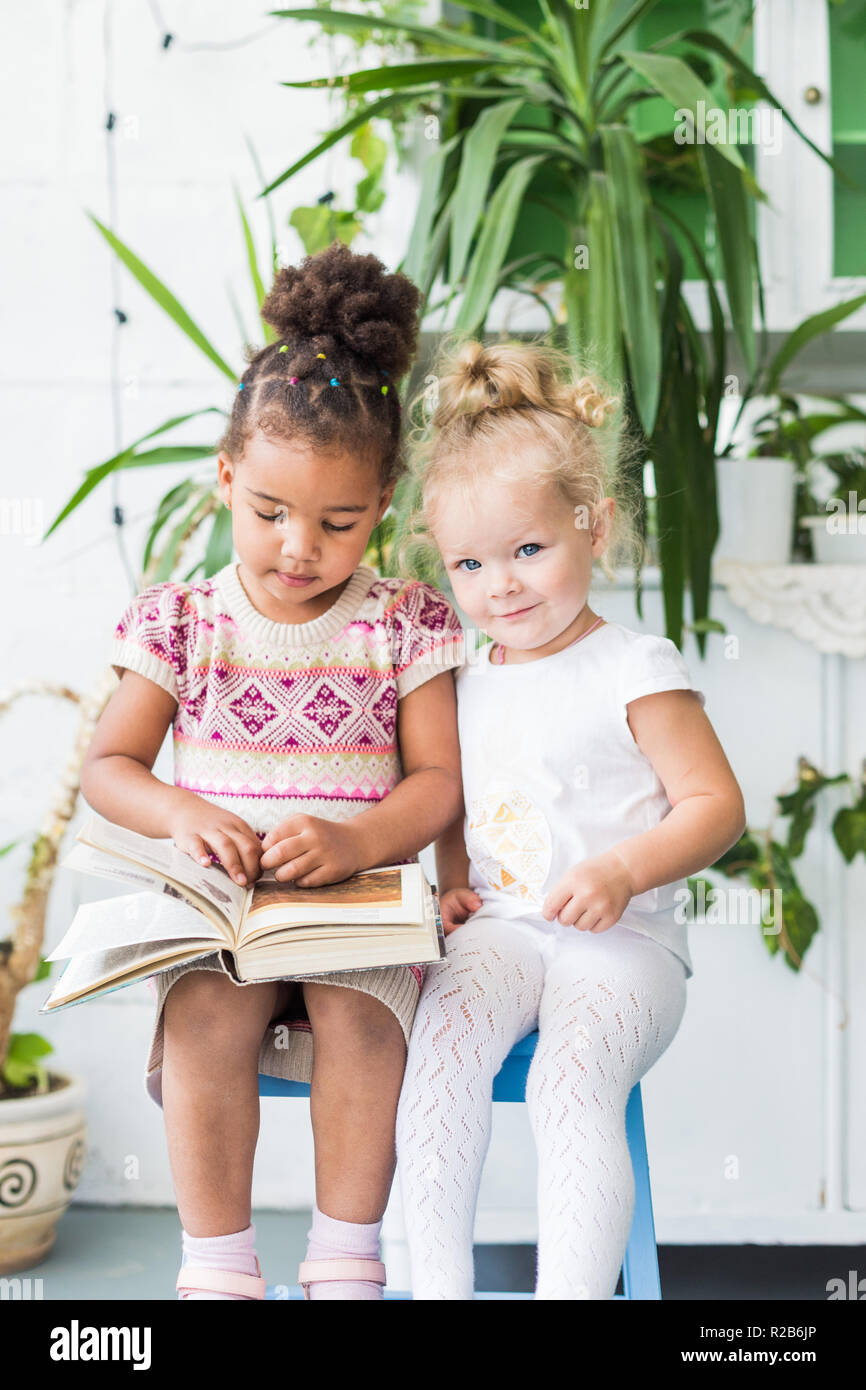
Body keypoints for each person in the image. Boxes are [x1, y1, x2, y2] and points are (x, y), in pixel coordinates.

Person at [79, 242, 465, 1301]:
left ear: (381, 503)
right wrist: (181, 807)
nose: (299, 546)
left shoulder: (402, 622)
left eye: (337, 524)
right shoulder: (185, 619)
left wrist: (353, 840)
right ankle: (217, 1267)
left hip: (357, 905)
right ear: (224, 477)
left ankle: (345, 1259)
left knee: (359, 1017)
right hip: (226, 910)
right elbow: (109, 764)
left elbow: (437, 783)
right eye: (269, 513)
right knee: (204, 1011)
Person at [393, 336, 747, 1300]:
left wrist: (626, 870)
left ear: (594, 525)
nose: (499, 585)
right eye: (469, 563)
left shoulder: (633, 667)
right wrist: (453, 879)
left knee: (569, 1083)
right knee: (440, 1057)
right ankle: (437, 1290)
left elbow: (716, 807)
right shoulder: (462, 678)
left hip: (622, 946)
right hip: (507, 931)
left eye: (528, 550)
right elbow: (452, 794)